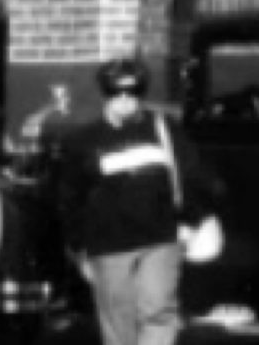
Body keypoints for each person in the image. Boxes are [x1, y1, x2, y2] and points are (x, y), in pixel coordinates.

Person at [57, 55, 215, 345]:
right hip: (108, 245)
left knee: (158, 312)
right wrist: (78, 248)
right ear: (106, 94)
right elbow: (71, 196)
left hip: (160, 240)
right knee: (119, 323)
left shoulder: (164, 130)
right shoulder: (82, 141)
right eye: (117, 93)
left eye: (134, 93)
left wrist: (191, 221)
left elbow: (190, 174)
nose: (126, 100)